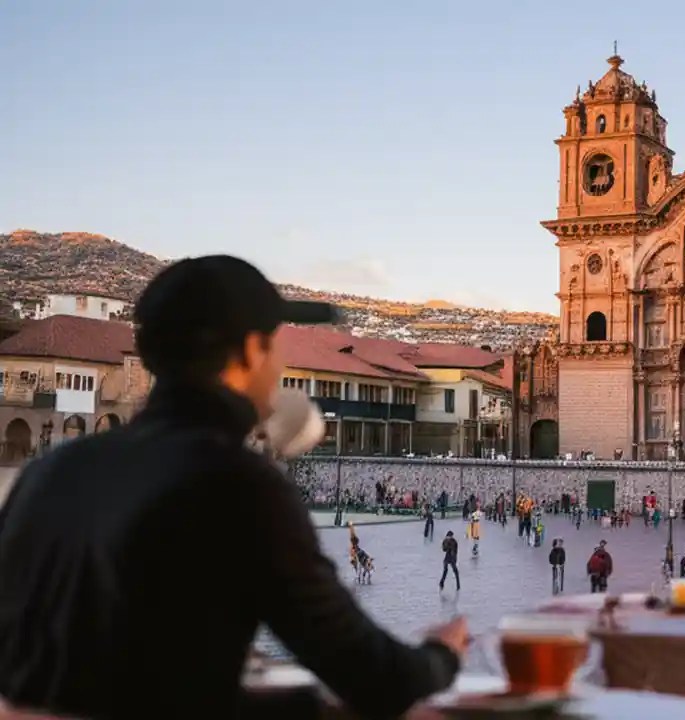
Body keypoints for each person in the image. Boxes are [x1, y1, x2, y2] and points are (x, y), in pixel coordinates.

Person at [0, 256, 467, 720]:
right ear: (249, 352)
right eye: (274, 344)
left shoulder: (50, 470)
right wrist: (440, 655)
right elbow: (373, 676)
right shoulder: (236, 482)